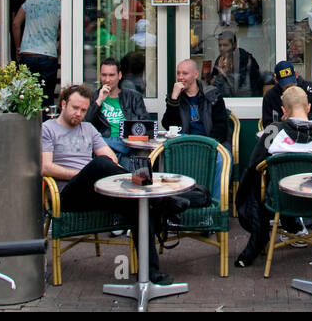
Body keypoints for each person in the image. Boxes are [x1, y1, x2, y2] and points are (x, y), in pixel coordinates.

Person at [41, 83, 174, 285]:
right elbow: (46, 168)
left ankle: (151, 272)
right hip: (66, 195)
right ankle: (162, 198)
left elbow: (111, 158)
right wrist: (82, 174)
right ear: (64, 104)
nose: (79, 114)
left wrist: (116, 178)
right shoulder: (48, 128)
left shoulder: (88, 128)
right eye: (75, 108)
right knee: (99, 164)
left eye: (83, 110)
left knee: (139, 205)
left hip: (94, 191)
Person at [233, 85, 312, 268]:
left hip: (282, 201)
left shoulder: (273, 131)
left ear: (283, 110)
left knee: (262, 182)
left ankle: (280, 231)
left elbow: (253, 164)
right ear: (309, 108)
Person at [87, 56, 148, 168]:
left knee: (125, 153)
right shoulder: (93, 98)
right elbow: (85, 124)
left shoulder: (133, 97)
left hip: (127, 142)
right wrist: (99, 101)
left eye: (111, 75)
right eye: (104, 75)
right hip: (104, 145)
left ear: (119, 75)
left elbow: (145, 125)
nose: (107, 79)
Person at [13, 0, 61, 103]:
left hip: (28, 53)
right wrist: (59, 52)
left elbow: (16, 24)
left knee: (25, 97)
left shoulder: (30, 1)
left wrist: (18, 47)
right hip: (48, 55)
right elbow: (64, 31)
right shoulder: (60, 5)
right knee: (46, 96)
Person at [163, 59, 230, 147]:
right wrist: (174, 100)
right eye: (178, 73)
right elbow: (168, 125)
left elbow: (221, 127)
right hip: (183, 146)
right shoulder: (175, 97)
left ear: (196, 75)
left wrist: (208, 146)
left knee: (220, 156)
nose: (180, 77)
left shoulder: (212, 94)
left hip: (211, 145)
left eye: (185, 73)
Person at [259, 60, 312, 128]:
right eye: (286, 87)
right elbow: (267, 125)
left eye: (292, 84)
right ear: (276, 80)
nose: (290, 89)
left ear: (296, 75)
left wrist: (298, 117)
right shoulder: (270, 96)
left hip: (310, 131)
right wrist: (282, 122)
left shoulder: (311, 89)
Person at [205, 28, 263, 97]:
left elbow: (238, 86)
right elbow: (213, 84)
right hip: (225, 97)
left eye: (225, 45)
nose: (222, 48)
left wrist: (224, 73)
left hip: (247, 99)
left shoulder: (244, 58)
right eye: (220, 45)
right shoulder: (220, 59)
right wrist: (220, 74)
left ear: (234, 45)